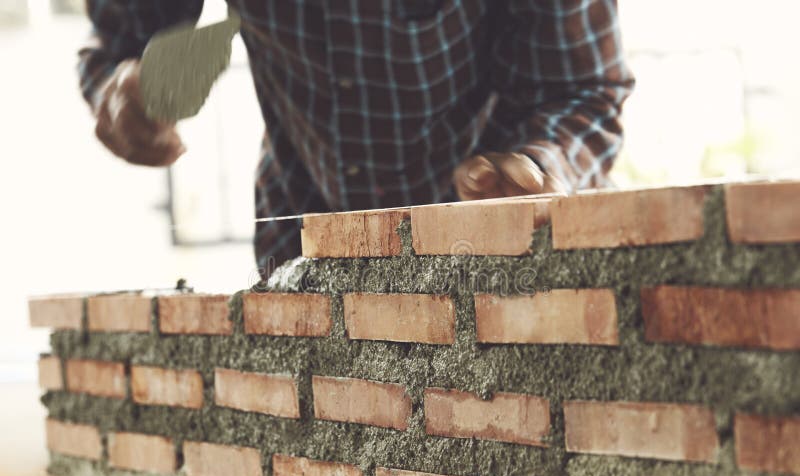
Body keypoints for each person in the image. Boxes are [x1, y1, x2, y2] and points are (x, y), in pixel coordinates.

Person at [80, 0, 634, 278]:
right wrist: (120, 92)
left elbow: (580, 89)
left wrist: (536, 171)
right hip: (299, 238)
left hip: (494, 253)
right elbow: (121, 42)